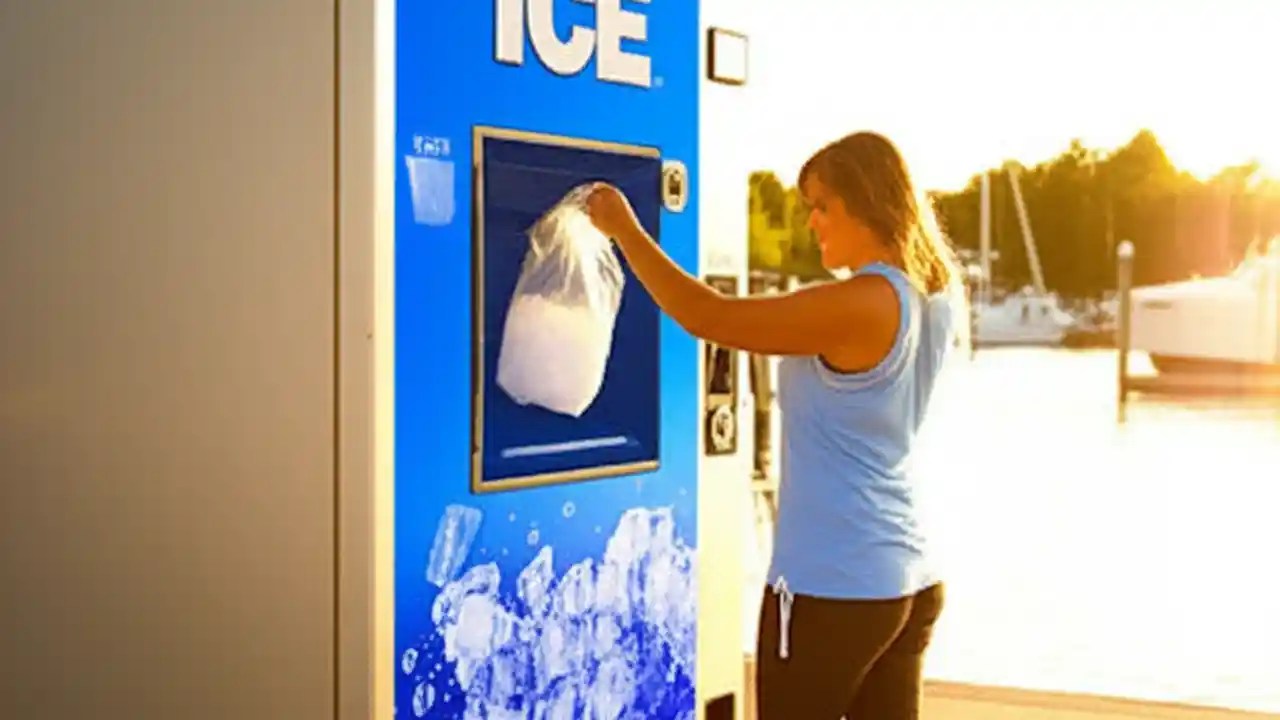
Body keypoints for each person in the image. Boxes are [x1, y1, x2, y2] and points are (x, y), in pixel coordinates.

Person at [584, 131, 967, 719]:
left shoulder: (862, 302)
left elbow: (709, 316)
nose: (812, 222)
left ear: (867, 202)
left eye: (822, 205)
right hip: (906, 581)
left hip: (832, 586)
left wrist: (624, 230)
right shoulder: (934, 295)